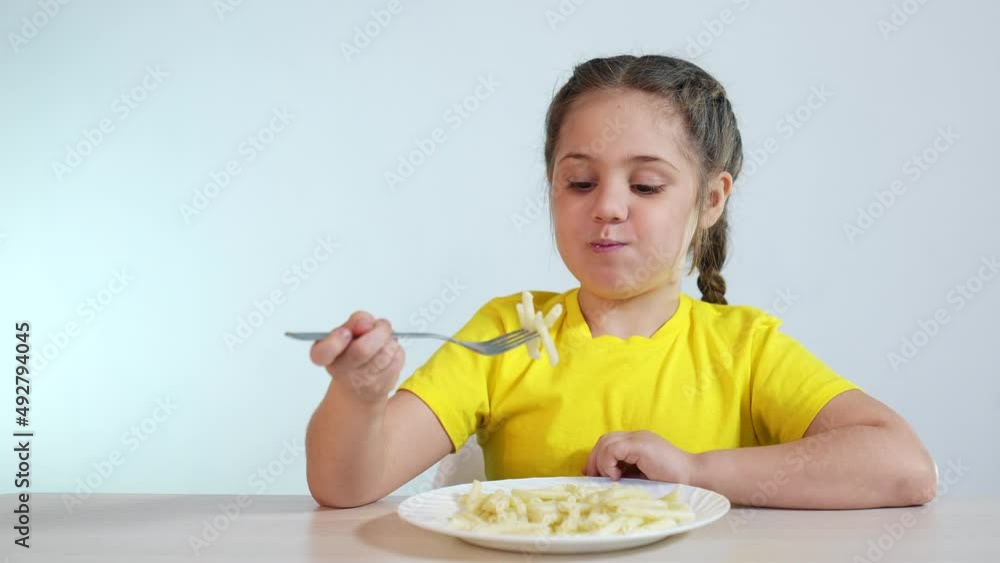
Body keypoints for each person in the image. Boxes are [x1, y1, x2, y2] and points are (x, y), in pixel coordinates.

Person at [304, 54, 937, 510]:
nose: (607, 206)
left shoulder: (742, 348)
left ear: (711, 198)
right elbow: (344, 487)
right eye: (580, 181)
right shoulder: (509, 332)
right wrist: (358, 399)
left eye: (645, 185)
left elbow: (904, 467)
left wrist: (695, 471)